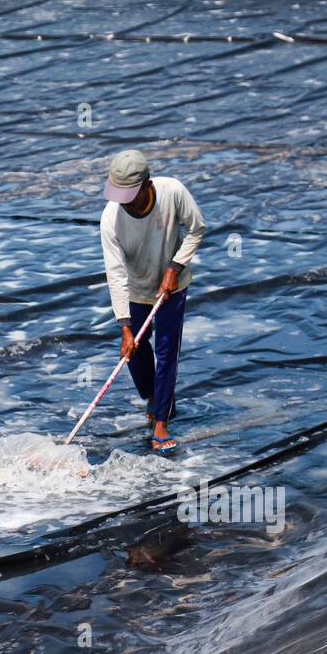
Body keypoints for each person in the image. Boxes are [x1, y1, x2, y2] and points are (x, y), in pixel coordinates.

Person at [100, 149, 207, 452]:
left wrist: (175, 267)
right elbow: (115, 274)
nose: (124, 202)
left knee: (166, 350)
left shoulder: (172, 192)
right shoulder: (110, 219)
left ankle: (161, 422)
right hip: (135, 287)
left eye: (129, 195)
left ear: (147, 184)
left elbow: (197, 229)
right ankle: (155, 397)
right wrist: (124, 328)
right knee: (133, 351)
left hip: (172, 285)